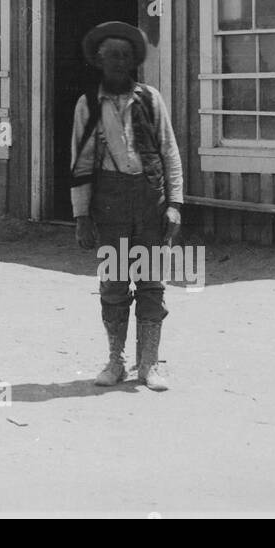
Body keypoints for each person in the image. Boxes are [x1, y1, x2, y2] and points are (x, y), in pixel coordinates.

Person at [71, 22, 183, 392]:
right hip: (110, 205)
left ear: (133, 60)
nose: (118, 62)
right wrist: (81, 216)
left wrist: (174, 205)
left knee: (151, 282)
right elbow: (79, 163)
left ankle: (149, 364)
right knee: (114, 283)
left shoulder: (150, 100)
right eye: (111, 56)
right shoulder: (88, 104)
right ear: (99, 60)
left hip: (150, 202)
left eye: (125, 55)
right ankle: (116, 361)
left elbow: (170, 153)